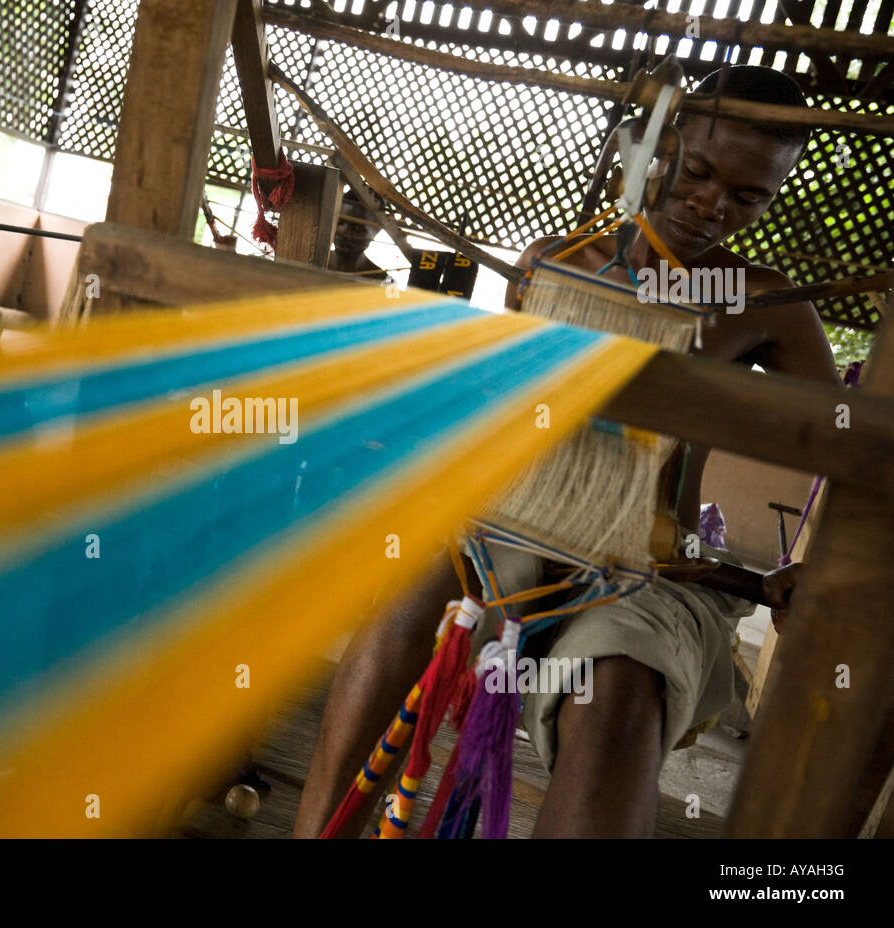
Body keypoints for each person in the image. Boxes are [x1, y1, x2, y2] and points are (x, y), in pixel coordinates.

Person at [294, 65, 840, 838]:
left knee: (617, 691)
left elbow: (850, 448)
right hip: (509, 534)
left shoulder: (765, 303)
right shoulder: (552, 263)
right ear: (654, 150)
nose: (713, 205)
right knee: (416, 600)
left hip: (650, 569)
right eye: (698, 172)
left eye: (747, 197)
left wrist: (818, 567)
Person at [329, 189, 389, 281]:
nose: (344, 232)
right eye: (340, 222)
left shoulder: (381, 281)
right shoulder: (311, 262)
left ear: (377, 230)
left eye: (357, 228)